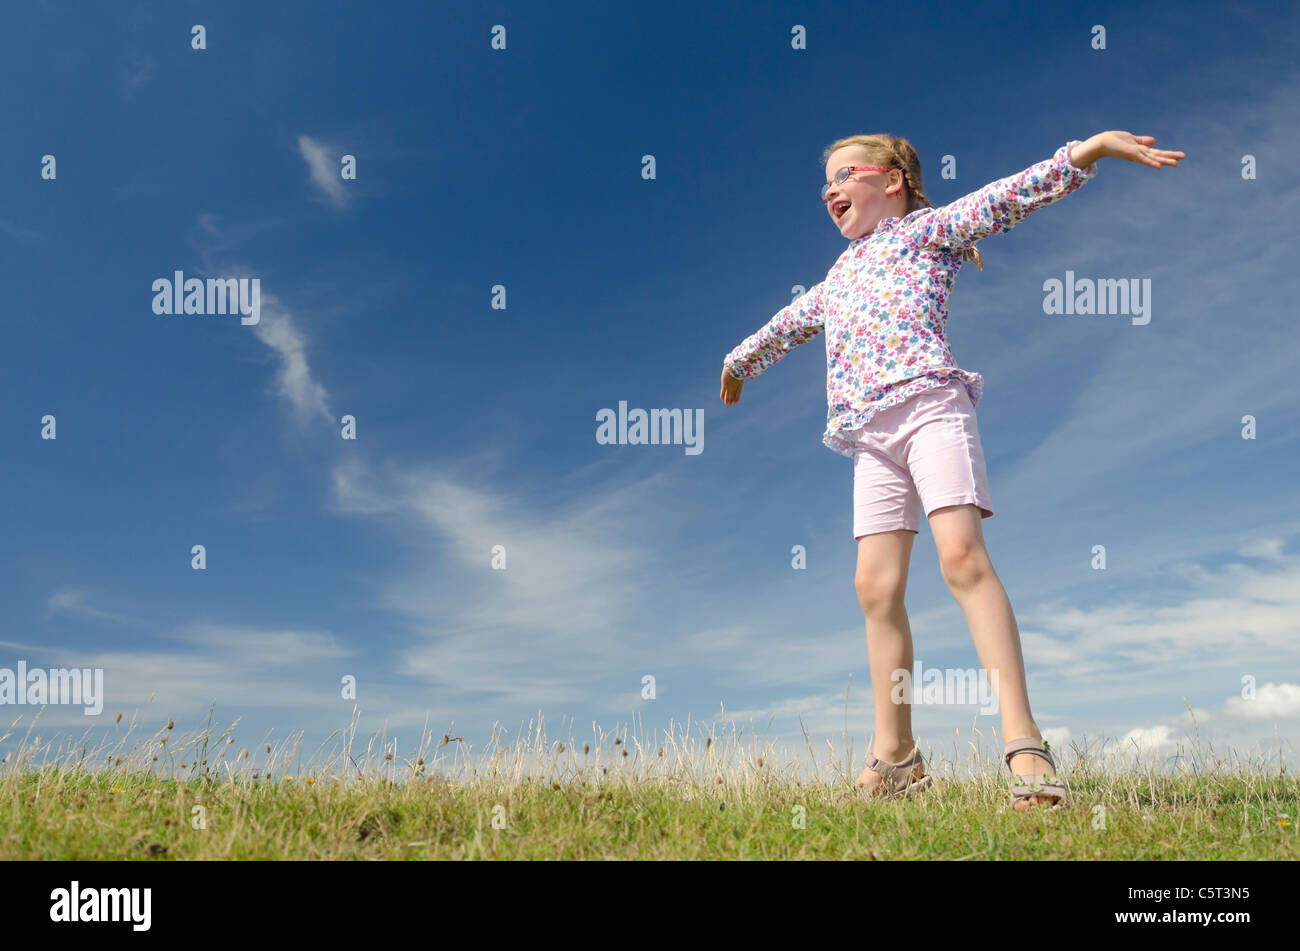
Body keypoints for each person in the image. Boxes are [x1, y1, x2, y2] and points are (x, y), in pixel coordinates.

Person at [719, 132, 1184, 809]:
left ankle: (1025, 744)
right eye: (824, 184)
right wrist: (738, 362)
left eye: (846, 175)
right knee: (874, 587)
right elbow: (784, 326)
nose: (830, 190)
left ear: (895, 181)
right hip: (869, 436)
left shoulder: (928, 233)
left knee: (962, 558)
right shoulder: (837, 278)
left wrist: (1088, 152)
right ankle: (898, 756)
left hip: (931, 408)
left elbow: (1007, 199)